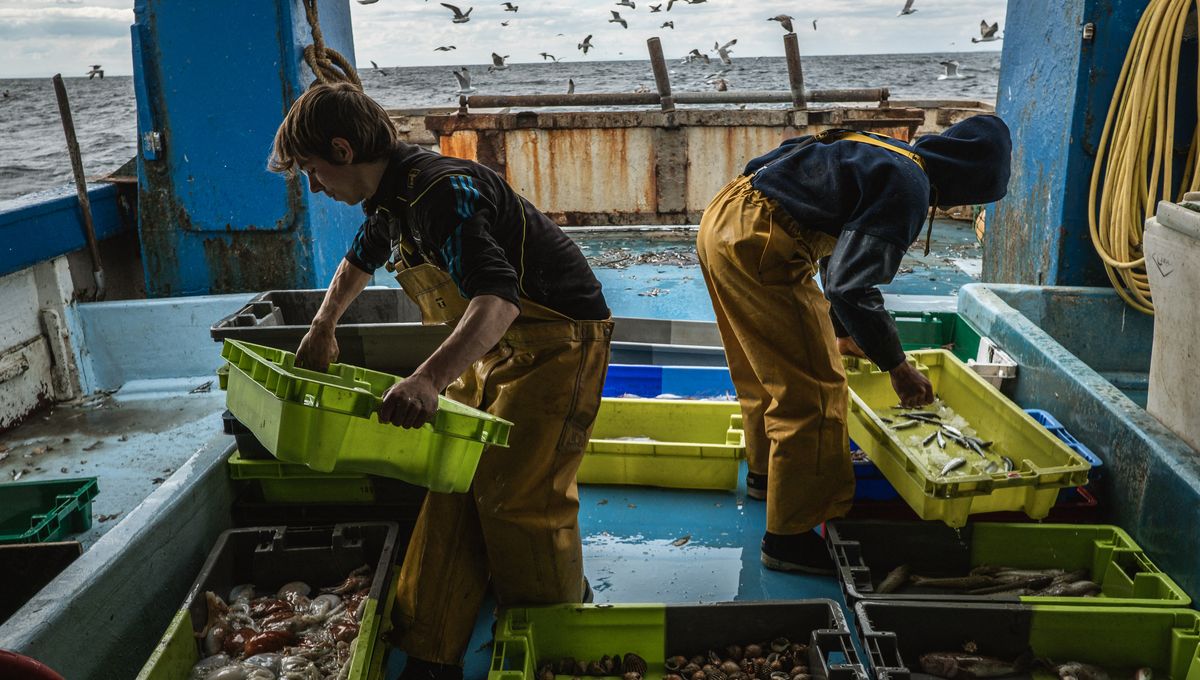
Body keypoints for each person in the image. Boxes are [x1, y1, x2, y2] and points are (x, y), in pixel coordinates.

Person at [269, 82, 612, 678]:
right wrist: (323, 326)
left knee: (518, 495)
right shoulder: (389, 197)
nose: (315, 186)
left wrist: (427, 380)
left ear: (343, 151)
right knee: (453, 480)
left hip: (559, 341)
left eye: (313, 170)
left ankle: (552, 636)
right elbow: (359, 260)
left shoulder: (439, 192)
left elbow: (498, 300)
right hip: (497, 345)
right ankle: (430, 649)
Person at [696, 115, 1011, 574]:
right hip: (762, 241)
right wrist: (897, 366)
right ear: (970, 182)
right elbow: (850, 285)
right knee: (816, 395)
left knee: (764, 371)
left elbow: (837, 248)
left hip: (724, 219)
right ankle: (789, 538)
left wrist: (842, 333)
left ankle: (766, 478)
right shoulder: (909, 187)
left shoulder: (889, 153)